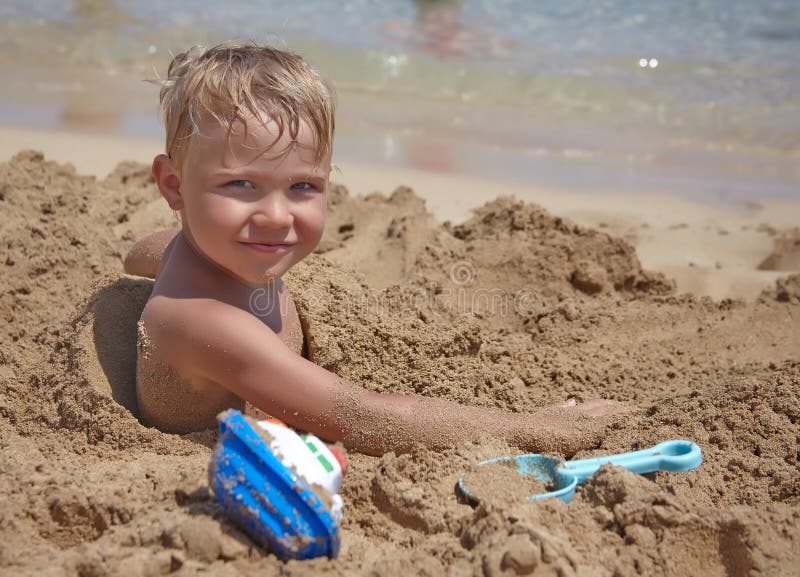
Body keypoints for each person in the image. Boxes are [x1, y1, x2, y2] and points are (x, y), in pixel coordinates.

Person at [124, 43, 627, 457]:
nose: (277, 216)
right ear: (173, 186)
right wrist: (540, 430)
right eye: (240, 185)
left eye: (302, 187)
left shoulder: (194, 249)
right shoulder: (201, 322)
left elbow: (142, 253)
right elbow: (363, 415)